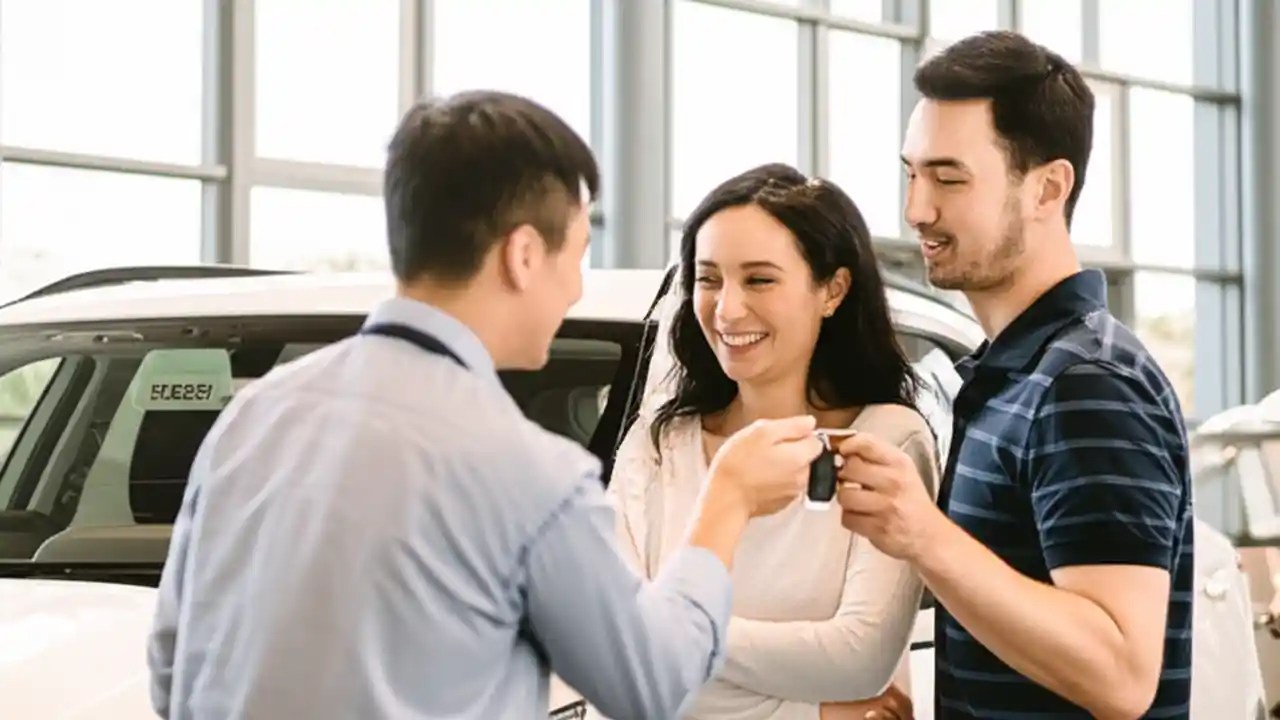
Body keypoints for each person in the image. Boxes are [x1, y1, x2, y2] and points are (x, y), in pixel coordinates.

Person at [145, 90, 826, 720]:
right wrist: (728, 501)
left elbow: (173, 672)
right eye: (576, 256)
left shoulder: (252, 419)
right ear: (523, 255)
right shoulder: (527, 474)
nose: (575, 290)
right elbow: (648, 682)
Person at [833, 30, 1194, 719]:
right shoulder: (1018, 375)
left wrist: (923, 534)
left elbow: (1120, 676)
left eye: (949, 178)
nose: (916, 210)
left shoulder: (1087, 383)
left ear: (1047, 189)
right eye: (912, 174)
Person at [607, 163, 937, 720]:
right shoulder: (658, 443)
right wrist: (814, 712)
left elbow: (860, 659)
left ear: (833, 290)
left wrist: (672, 634)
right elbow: (618, 659)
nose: (728, 309)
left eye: (759, 280)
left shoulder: (886, 443)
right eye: (709, 279)